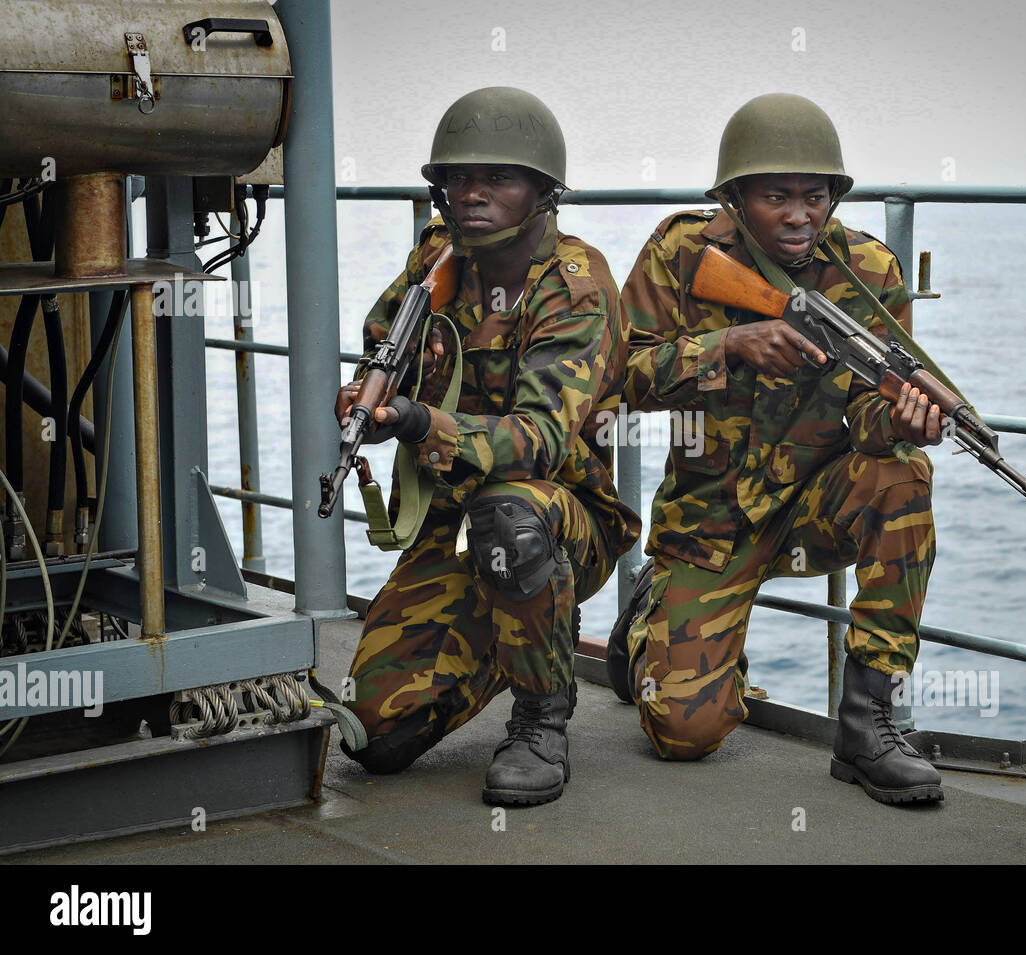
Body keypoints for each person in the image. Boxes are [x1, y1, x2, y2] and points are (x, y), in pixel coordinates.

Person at [608, 92, 945, 804]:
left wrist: (905, 421)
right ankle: (648, 625)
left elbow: (868, 413)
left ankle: (867, 724)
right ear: (734, 197)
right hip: (711, 520)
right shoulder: (682, 253)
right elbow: (621, 376)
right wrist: (726, 346)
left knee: (903, 475)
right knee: (684, 734)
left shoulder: (868, 273)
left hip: (813, 508)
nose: (800, 215)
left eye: (815, 196)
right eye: (777, 197)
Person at [335, 87, 639, 806]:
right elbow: (386, 345)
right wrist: (364, 396)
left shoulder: (575, 285)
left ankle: (540, 721)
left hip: (560, 516)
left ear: (540, 189)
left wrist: (415, 422)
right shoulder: (438, 263)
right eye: (459, 178)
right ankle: (511, 637)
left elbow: (539, 441)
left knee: (510, 514)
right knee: (374, 739)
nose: (473, 193)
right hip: (454, 521)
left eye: (498, 177)